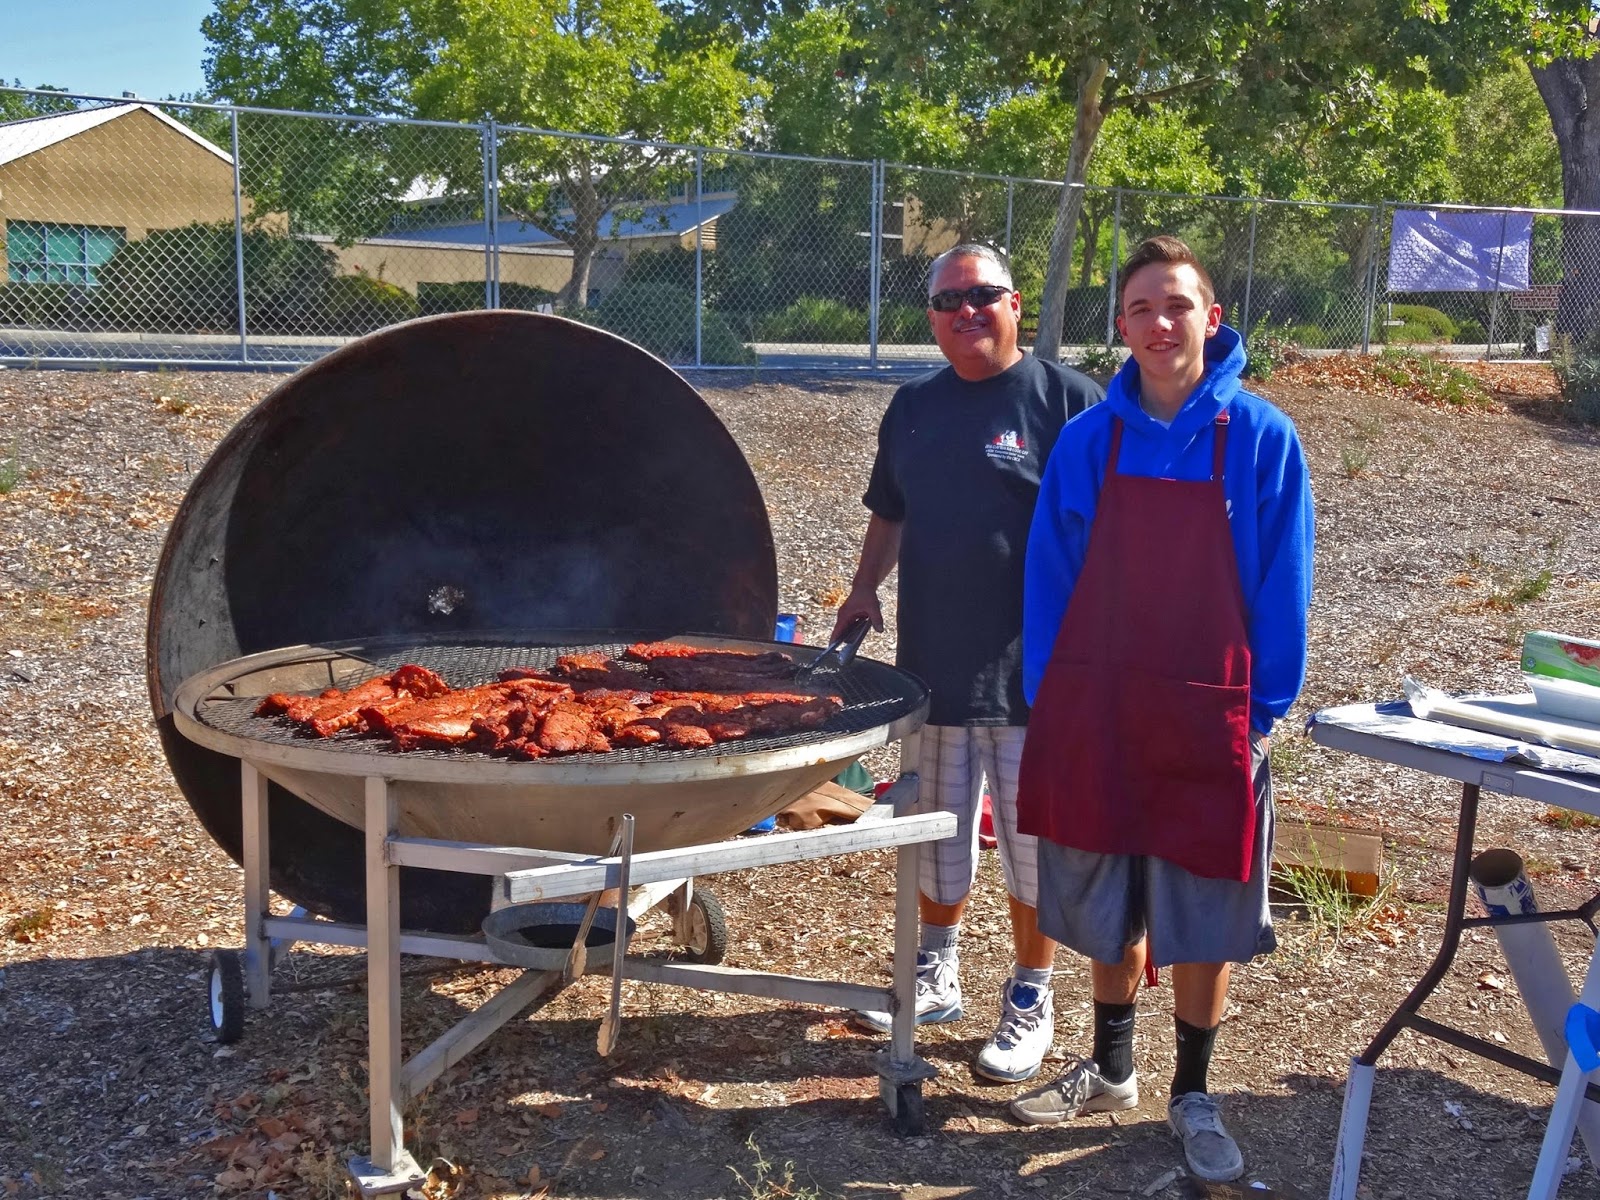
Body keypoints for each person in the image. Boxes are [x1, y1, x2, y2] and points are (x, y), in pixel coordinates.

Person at [1008, 235, 1314, 1183]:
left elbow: (1282, 582)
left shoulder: (1261, 437)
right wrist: (1050, 695)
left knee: (1201, 906)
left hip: (1211, 711)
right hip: (1096, 708)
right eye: (1140, 309)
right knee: (1105, 900)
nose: (1159, 324)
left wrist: (1260, 709)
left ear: (1210, 319)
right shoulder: (1089, 441)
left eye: (1176, 305)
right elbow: (1052, 575)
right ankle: (1110, 1066)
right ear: (1123, 326)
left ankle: (1193, 1090)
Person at [834, 242, 1103, 1083]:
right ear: (932, 319)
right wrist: (860, 590)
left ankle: (1031, 991)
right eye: (949, 302)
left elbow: (1111, 531)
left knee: (1032, 849)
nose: (966, 312)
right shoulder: (912, 408)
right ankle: (937, 969)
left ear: (1015, 303)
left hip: (1037, 679)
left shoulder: (1069, 402)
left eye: (982, 295)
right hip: (934, 669)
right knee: (940, 840)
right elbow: (891, 512)